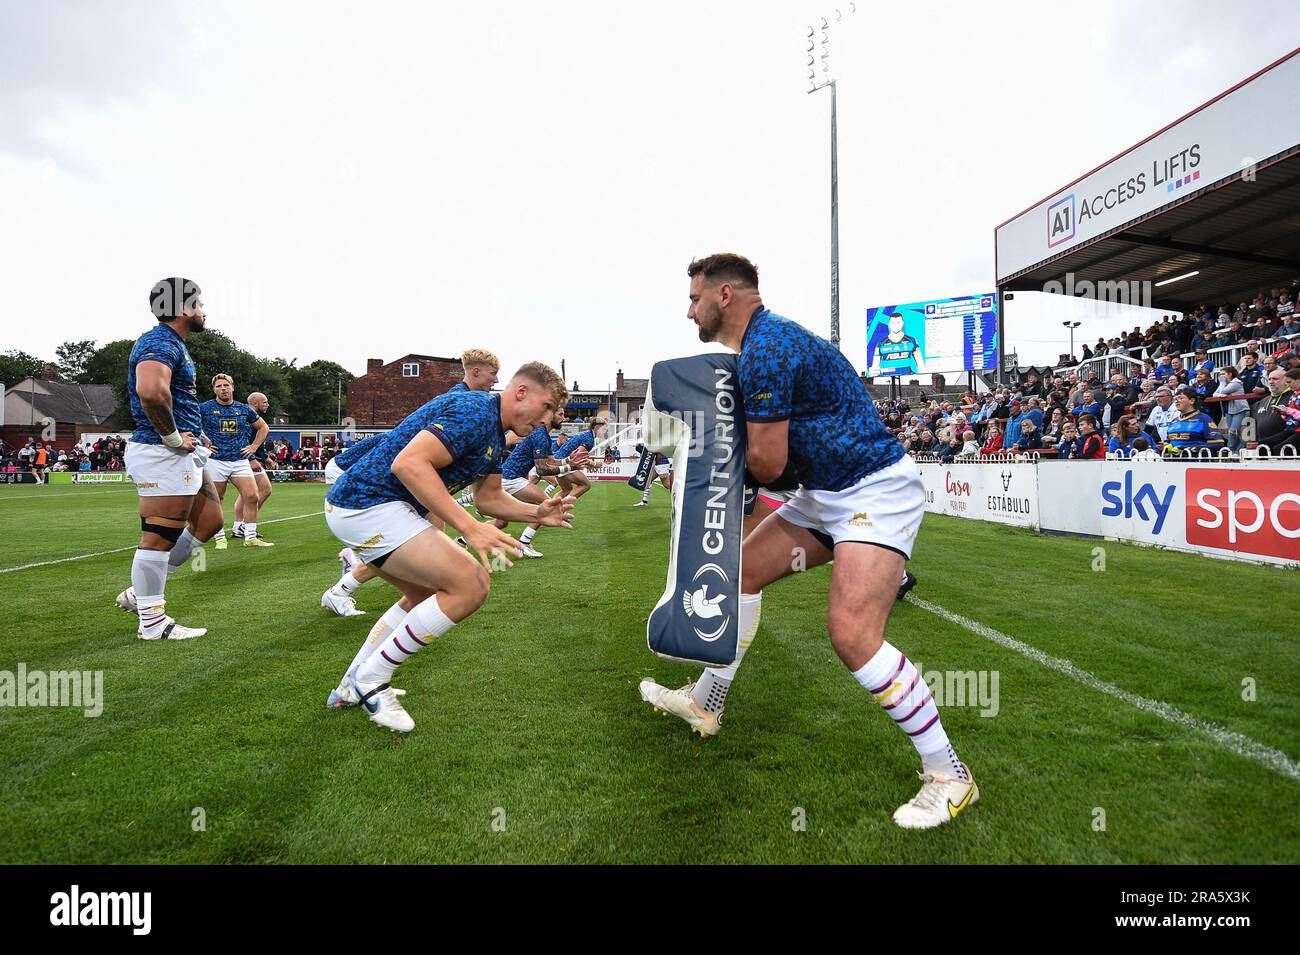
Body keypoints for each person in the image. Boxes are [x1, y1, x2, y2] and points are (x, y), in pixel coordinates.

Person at [638, 253, 977, 830]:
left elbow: (767, 464)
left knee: (853, 636)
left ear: (724, 295)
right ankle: (705, 702)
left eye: (694, 298)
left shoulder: (765, 349)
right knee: (740, 574)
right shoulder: (760, 346)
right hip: (827, 492)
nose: (688, 309)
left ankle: (950, 775)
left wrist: (703, 471)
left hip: (873, 491)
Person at [323, 362, 574, 732]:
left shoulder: (494, 431)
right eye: (548, 406)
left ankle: (351, 683)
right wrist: (469, 528)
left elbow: (489, 500)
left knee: (423, 595)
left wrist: (536, 510)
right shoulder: (476, 411)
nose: (550, 419)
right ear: (521, 392)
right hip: (367, 504)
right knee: (471, 583)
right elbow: (409, 464)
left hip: (371, 506)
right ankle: (372, 680)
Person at [115, 278, 225, 639]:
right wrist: (173, 437)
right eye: (200, 304)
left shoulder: (172, 343)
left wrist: (192, 432)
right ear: (182, 309)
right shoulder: (160, 340)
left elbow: (171, 395)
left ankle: (140, 594)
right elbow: (150, 392)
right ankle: (152, 622)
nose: (204, 311)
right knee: (159, 538)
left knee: (209, 522)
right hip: (161, 453)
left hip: (181, 453)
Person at [200, 374, 274, 549]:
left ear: (232, 388)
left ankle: (250, 538)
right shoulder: (204, 408)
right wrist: (203, 440)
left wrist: (254, 447)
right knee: (216, 499)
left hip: (240, 460)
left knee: (252, 496)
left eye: (226, 385)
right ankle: (219, 539)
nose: (223, 388)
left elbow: (264, 427)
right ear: (214, 389)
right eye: (219, 386)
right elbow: (189, 424)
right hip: (216, 461)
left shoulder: (243, 409)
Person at [232, 391, 274, 540]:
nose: (267, 405)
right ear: (255, 403)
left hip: (245, 458)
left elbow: (256, 442)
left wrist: (265, 457)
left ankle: (238, 527)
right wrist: (251, 458)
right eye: (265, 402)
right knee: (265, 489)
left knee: (245, 494)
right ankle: (245, 524)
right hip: (245, 459)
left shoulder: (250, 416)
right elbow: (243, 441)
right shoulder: (247, 417)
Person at [1164, 387, 1225, 456]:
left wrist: (1188, 449)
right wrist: (1167, 445)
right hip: (1172, 463)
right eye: (1175, 399)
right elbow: (1168, 441)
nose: (1177, 401)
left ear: (1192, 401)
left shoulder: (1204, 419)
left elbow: (1217, 443)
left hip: (1195, 463)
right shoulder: (1173, 422)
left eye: (1181, 398)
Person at [1213, 366, 1249, 452]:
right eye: (1220, 374)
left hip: (1240, 409)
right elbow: (1214, 394)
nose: (1221, 376)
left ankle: (1233, 450)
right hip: (1230, 410)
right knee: (1232, 432)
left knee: (1234, 431)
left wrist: (1221, 383)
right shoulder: (1225, 384)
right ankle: (1234, 451)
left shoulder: (1236, 382)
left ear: (1230, 374)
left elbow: (1223, 391)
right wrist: (1220, 395)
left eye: (1223, 374)